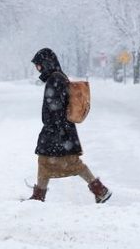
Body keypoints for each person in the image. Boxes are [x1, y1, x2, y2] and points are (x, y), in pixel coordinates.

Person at [28, 47, 112, 203]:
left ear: (46, 63)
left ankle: (100, 190)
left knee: (71, 163)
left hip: (58, 129)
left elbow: (56, 107)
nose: (38, 68)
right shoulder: (58, 77)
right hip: (59, 129)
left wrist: (54, 128)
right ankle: (38, 197)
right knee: (46, 161)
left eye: (39, 65)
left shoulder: (55, 79)